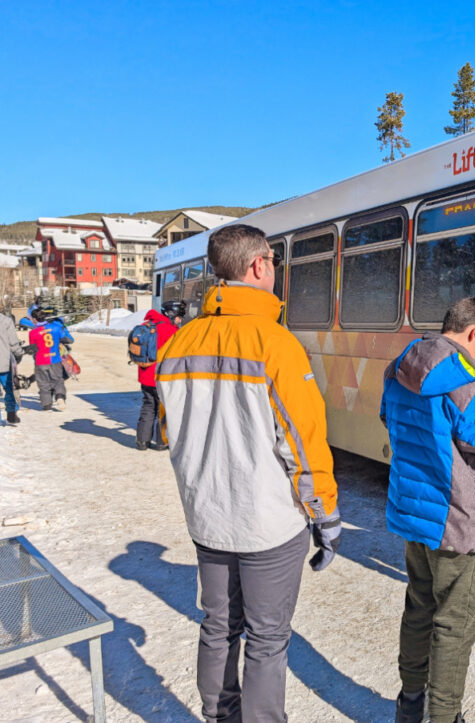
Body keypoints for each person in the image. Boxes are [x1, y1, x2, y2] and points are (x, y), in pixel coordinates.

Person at [155, 224, 340, 723]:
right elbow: (302, 443)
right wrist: (324, 515)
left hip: (207, 518)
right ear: (259, 265)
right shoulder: (276, 344)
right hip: (268, 523)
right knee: (267, 638)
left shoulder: (178, 343)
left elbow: (171, 431)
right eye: (273, 263)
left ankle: (220, 717)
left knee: (217, 627)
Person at [380, 297, 475, 723]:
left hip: (416, 514)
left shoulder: (399, 368)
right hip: (459, 521)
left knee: (419, 608)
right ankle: (443, 716)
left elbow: (389, 418)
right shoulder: (468, 385)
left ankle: (409, 705)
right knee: (455, 625)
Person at [135, 300, 184, 450]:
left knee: (148, 407)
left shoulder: (146, 325)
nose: (180, 321)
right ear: (171, 315)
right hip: (161, 377)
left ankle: (142, 442)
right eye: (179, 317)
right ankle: (162, 441)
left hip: (145, 376)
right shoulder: (170, 330)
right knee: (164, 409)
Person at [27, 306, 73, 411]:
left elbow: (33, 348)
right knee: (58, 380)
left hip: (41, 361)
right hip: (55, 359)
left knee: (43, 383)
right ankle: (60, 397)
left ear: (35, 319)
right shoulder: (56, 327)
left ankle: (47, 404)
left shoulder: (33, 333)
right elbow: (65, 339)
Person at [1, 310, 32, 425]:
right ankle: (11, 415)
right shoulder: (5, 321)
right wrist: (20, 352)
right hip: (3, 361)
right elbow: (13, 344)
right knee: (9, 388)